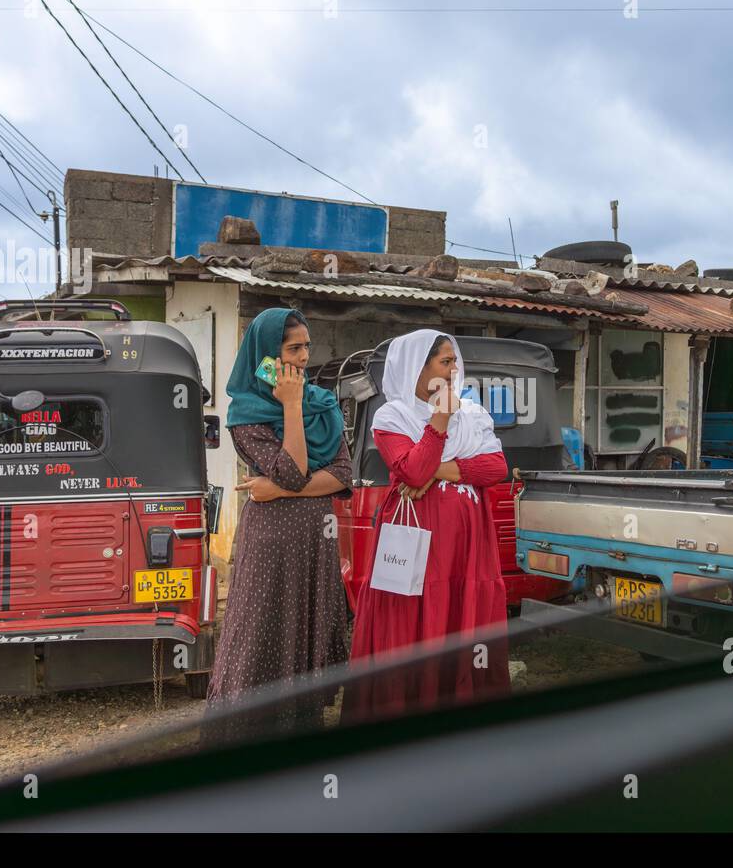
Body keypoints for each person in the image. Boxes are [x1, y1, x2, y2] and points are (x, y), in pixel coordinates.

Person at [343, 330, 510, 720]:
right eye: (443, 362)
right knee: (412, 616)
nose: (453, 371)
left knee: (461, 614)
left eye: (454, 361)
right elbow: (413, 473)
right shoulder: (392, 416)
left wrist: (445, 471)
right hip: (414, 539)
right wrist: (439, 418)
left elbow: (496, 469)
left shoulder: (473, 414)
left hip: (467, 545)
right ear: (417, 367)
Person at [204, 307, 351, 738]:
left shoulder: (322, 404)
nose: (304, 357)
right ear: (267, 353)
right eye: (293, 348)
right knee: (259, 631)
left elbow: (341, 475)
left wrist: (279, 490)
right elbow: (292, 468)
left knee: (306, 630)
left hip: (316, 538)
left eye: (307, 346)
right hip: (271, 540)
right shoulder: (247, 413)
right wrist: (289, 406)